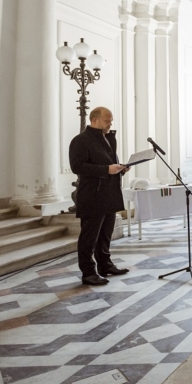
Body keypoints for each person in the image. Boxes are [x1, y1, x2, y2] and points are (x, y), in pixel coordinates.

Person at [68, 106, 130, 286]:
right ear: (94, 120)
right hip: (92, 196)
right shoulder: (80, 140)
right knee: (89, 237)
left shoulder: (108, 139)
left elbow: (108, 166)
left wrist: (120, 169)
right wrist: (106, 169)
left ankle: (105, 265)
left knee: (105, 234)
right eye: (107, 120)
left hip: (109, 194)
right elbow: (77, 167)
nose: (110, 123)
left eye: (110, 120)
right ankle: (88, 273)